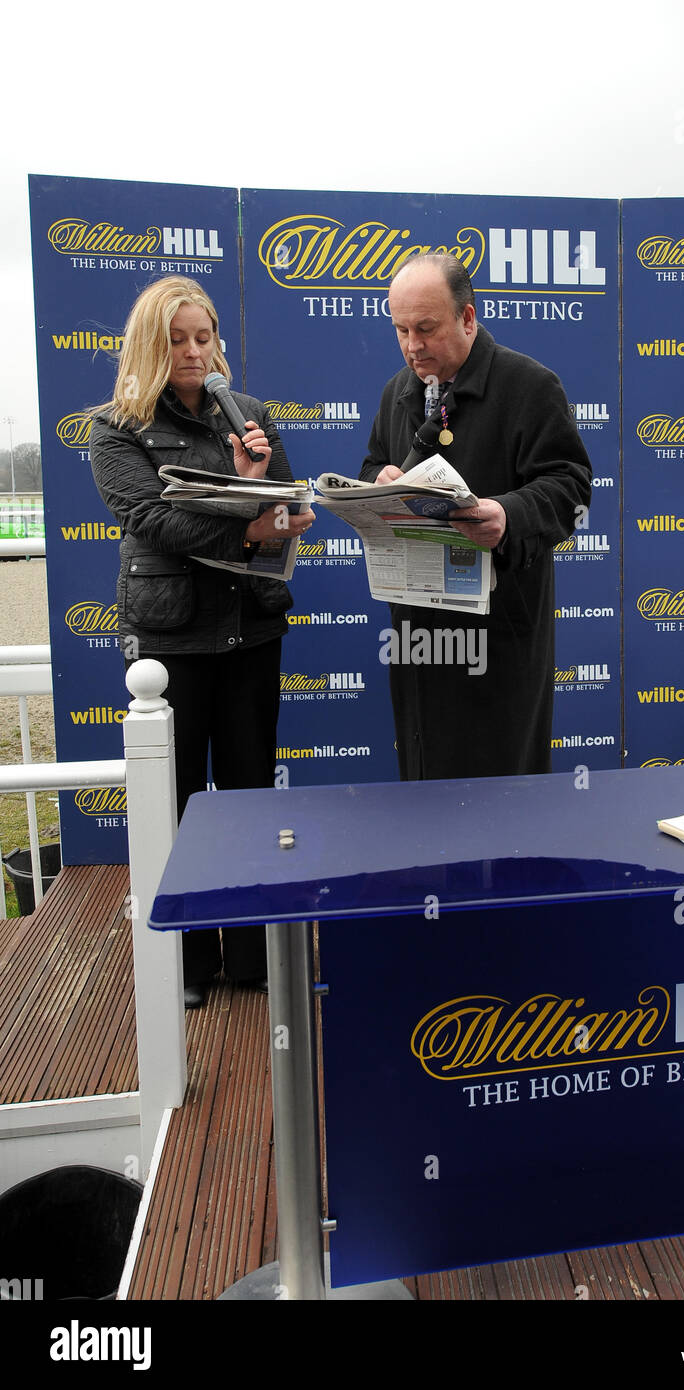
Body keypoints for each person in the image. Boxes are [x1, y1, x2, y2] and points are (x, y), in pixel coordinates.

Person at [90, 276, 314, 1008]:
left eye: (204, 337)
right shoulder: (117, 427)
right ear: (151, 345)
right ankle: (188, 964)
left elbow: (288, 509)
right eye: (178, 339)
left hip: (250, 629)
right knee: (178, 800)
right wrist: (248, 521)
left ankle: (252, 957)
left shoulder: (248, 414)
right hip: (173, 640)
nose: (194, 352)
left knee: (251, 797)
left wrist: (263, 486)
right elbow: (154, 520)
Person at [360, 253, 592, 780]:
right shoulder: (398, 392)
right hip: (417, 627)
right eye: (400, 330)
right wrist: (379, 482)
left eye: (426, 328)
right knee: (424, 789)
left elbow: (570, 484)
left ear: (468, 318)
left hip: (500, 633)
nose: (412, 346)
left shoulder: (530, 386)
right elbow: (375, 461)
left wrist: (507, 515)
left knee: (500, 796)